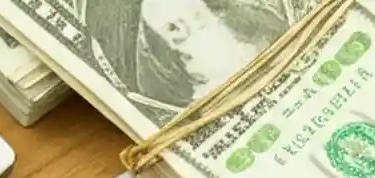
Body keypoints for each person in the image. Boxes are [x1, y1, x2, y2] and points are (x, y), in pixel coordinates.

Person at [84, 0, 294, 122]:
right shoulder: (191, 93)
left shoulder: (261, 32)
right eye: (174, 29)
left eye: (196, 17)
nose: (191, 30)